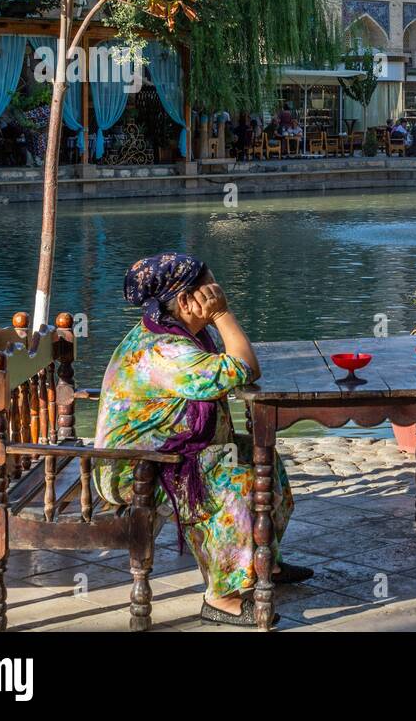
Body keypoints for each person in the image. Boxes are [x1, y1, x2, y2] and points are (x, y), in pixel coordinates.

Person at [94, 253, 311, 627]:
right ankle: (221, 596)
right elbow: (245, 368)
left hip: (169, 452)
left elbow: (236, 368)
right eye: (210, 288)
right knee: (234, 482)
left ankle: (265, 561)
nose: (218, 293)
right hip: (137, 466)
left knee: (263, 458)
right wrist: (223, 315)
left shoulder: (177, 332)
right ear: (185, 301)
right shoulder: (166, 350)